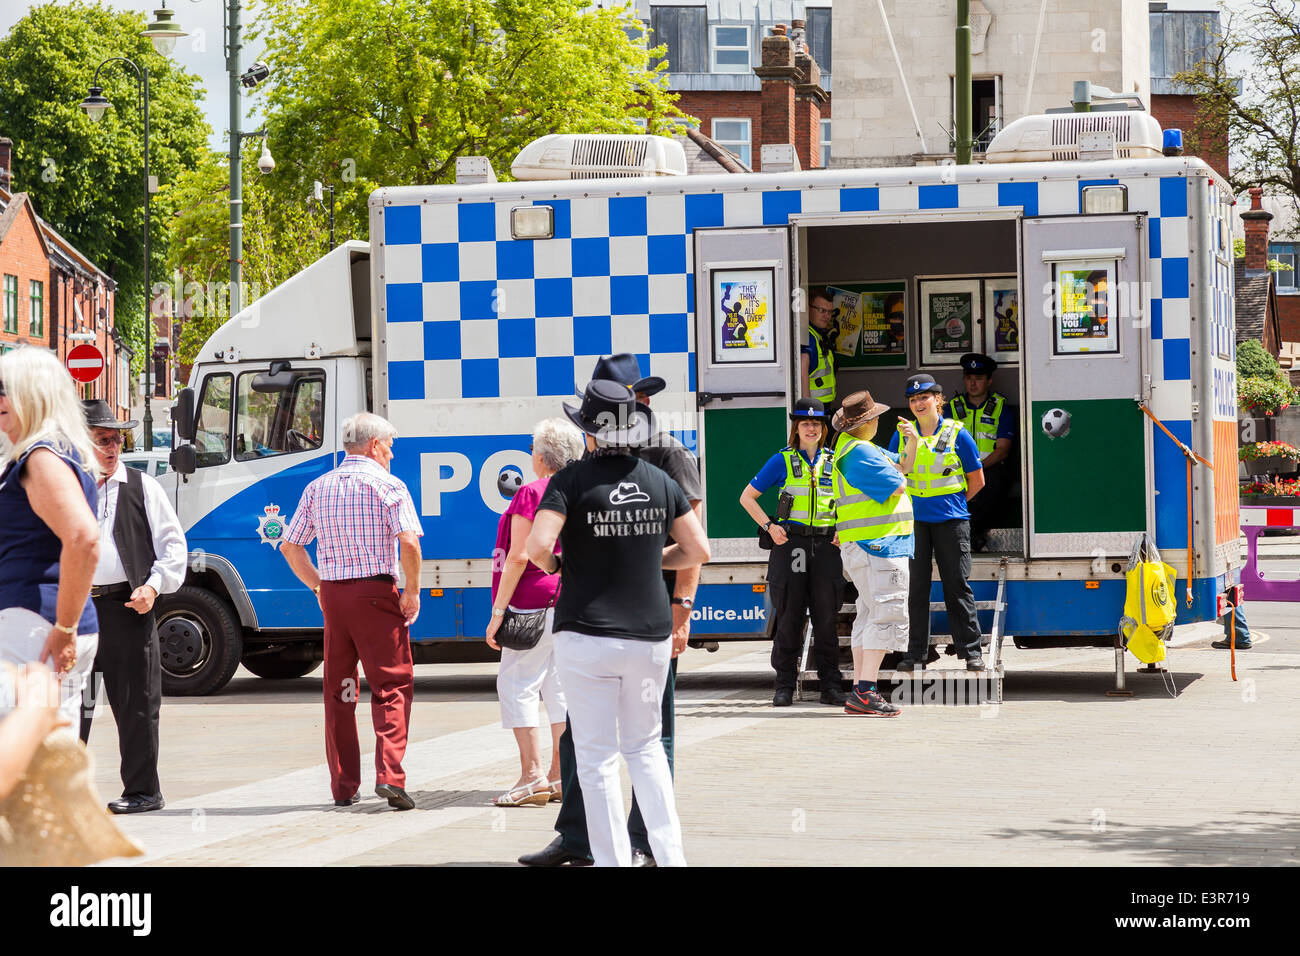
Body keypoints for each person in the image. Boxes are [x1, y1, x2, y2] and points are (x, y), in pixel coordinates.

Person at [522, 353, 704, 867]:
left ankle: (613, 860)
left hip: (586, 634)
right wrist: (652, 560)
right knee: (646, 750)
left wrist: (562, 564)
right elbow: (699, 550)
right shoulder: (660, 478)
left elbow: (536, 548)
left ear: (589, 430)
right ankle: (670, 858)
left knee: (597, 756)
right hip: (647, 635)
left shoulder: (571, 480)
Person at [281, 412, 423, 810]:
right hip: (376, 595)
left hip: (335, 597)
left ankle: (344, 786)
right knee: (391, 685)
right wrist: (411, 591)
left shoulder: (317, 487)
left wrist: (318, 586)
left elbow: (291, 546)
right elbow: (409, 544)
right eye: (390, 447)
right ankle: (390, 777)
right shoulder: (388, 486)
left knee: (340, 692)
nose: (392, 455)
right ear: (375, 445)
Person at [78, 400, 187, 814]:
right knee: (72, 706)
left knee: (137, 703)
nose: (112, 447)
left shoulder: (143, 487)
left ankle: (143, 791)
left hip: (128, 607)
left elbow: (175, 549)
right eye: (102, 440)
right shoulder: (69, 486)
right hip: (78, 610)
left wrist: (153, 587)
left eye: (116, 439)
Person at [486, 417, 584, 807]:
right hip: (571, 600)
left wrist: (498, 612)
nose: (530, 456)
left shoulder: (532, 492)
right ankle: (560, 776)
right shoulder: (580, 490)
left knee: (517, 684)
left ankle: (531, 776)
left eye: (531, 450)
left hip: (532, 600)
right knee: (558, 688)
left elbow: (519, 556)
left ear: (543, 456)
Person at [0, 347, 100, 706]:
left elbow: (84, 538)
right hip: (50, 624)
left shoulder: (41, 458)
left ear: (35, 393)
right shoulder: (61, 452)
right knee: (49, 756)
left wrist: (65, 627)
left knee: (17, 755)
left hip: (32, 626)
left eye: (5, 387)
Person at [739, 398, 846, 707]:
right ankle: (784, 684)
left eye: (816, 423)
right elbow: (747, 497)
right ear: (796, 427)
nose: (810, 428)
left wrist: (845, 528)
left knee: (826, 619)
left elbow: (851, 498)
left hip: (827, 546)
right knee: (789, 617)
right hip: (791, 545)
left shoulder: (835, 459)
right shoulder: (782, 460)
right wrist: (770, 526)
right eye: (805, 423)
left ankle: (831, 686)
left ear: (823, 428)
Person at [888, 373, 987, 671]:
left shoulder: (958, 433)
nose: (919, 403)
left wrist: (954, 504)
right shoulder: (903, 434)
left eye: (924, 398)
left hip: (951, 521)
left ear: (938, 400)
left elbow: (977, 480)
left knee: (956, 586)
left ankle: (971, 652)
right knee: (915, 588)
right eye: (914, 399)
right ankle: (915, 653)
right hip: (914, 523)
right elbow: (894, 475)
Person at [830, 391, 914, 717]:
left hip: (869, 546)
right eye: (874, 417)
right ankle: (865, 691)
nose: (878, 420)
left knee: (868, 615)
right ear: (863, 423)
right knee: (885, 614)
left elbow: (903, 465)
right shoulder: (859, 453)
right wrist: (902, 468)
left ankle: (861, 691)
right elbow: (898, 484)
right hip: (878, 546)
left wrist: (912, 444)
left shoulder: (856, 448)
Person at [948, 353, 1017, 552]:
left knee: (992, 485)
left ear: (989, 380)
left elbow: (1003, 450)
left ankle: (971, 537)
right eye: (969, 378)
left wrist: (976, 469)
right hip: (956, 471)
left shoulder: (1000, 406)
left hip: (990, 470)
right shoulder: (952, 408)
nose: (973, 383)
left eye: (978, 378)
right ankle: (971, 539)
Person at [802, 287, 838, 407]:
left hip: (823, 407)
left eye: (829, 312)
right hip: (813, 408)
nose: (827, 316)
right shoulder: (808, 336)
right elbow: (802, 372)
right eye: (822, 310)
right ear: (808, 308)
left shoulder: (820, 335)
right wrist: (807, 411)